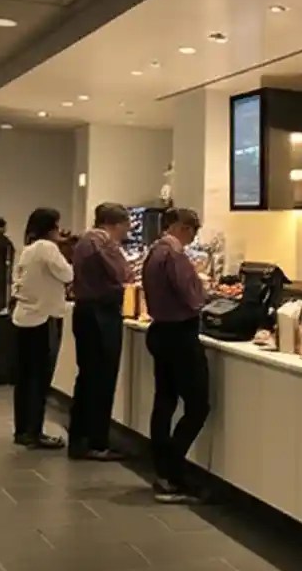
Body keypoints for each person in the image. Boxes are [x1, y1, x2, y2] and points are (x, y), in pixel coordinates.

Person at [141, 207, 209, 503]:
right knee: (198, 405)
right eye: (193, 229)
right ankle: (173, 470)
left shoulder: (154, 253)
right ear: (182, 227)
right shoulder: (175, 256)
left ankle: (162, 471)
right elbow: (192, 297)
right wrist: (202, 291)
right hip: (181, 334)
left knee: (164, 401)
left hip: (160, 331)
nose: (194, 235)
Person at [67, 202, 133, 461]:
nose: (128, 230)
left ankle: (80, 438)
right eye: (127, 225)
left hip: (84, 311)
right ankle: (96, 441)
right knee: (102, 378)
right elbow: (123, 275)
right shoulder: (104, 243)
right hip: (101, 315)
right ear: (115, 224)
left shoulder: (85, 240)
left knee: (86, 377)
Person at [10, 207, 74, 450]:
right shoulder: (47, 248)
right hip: (43, 319)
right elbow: (67, 274)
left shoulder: (28, 249)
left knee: (24, 379)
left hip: (24, 318)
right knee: (40, 379)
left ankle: (22, 430)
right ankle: (34, 432)